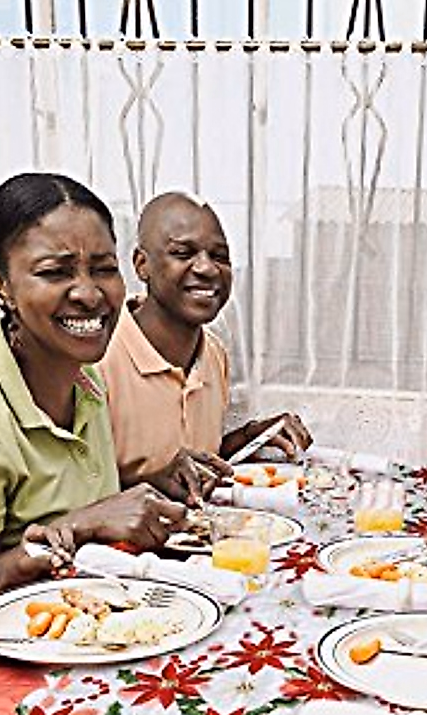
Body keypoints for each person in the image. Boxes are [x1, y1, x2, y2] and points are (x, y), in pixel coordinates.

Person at [0, 173, 186, 611]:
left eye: (104, 269)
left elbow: (68, 499)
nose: (89, 294)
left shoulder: (83, 379)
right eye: (55, 272)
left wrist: (146, 484)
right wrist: (83, 526)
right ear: (1, 283)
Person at [102, 191, 312, 497]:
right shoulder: (97, 356)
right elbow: (75, 493)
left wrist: (252, 437)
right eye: (183, 253)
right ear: (141, 265)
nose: (207, 269)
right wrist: (154, 481)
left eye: (219, 256)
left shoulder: (214, 354)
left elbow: (197, 460)